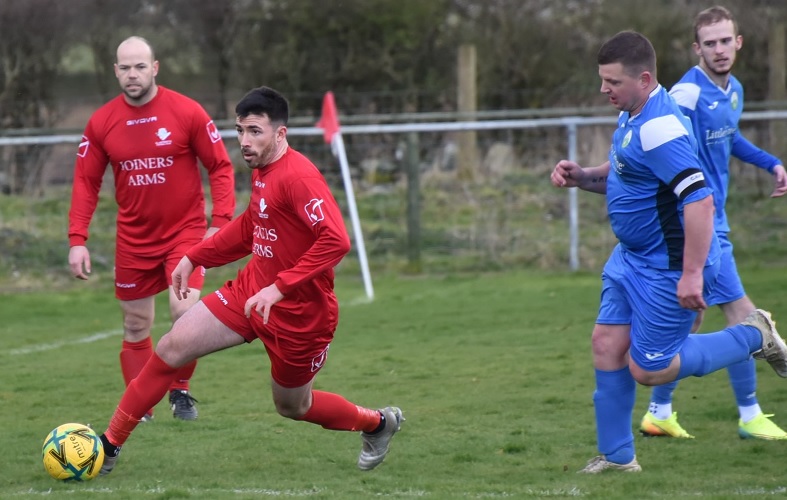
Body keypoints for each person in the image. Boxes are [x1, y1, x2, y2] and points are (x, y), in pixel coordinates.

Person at [96, 86, 403, 476]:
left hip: (300, 316)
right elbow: (250, 227)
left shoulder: (299, 177)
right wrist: (195, 255)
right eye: (240, 131)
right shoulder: (262, 172)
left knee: (293, 406)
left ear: (280, 133)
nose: (244, 141)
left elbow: (336, 239)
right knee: (172, 346)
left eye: (255, 131)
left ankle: (378, 424)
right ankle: (108, 446)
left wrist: (280, 287)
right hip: (249, 294)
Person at [550, 30, 787, 474]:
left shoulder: (660, 126)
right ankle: (619, 457)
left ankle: (755, 334)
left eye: (612, 82)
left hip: (666, 265)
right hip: (631, 259)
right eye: (602, 80)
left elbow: (699, 199)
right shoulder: (634, 114)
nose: (604, 90)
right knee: (606, 344)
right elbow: (627, 171)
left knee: (650, 369)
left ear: (643, 79)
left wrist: (692, 273)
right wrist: (585, 176)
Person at [68, 36, 236, 421]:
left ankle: (180, 392)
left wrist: (220, 223)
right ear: (115, 71)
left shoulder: (187, 111)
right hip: (133, 238)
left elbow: (221, 166)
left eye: (140, 66)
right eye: (125, 67)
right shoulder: (101, 122)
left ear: (155, 68)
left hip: (185, 233)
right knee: (135, 323)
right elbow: (85, 182)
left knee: (184, 312)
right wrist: (78, 239)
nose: (132, 74)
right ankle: (140, 406)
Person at [639, 5, 787, 441]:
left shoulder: (733, 89)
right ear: (696, 48)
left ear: (738, 42)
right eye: (710, 43)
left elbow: (731, 137)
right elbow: (666, 145)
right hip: (698, 219)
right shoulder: (685, 95)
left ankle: (659, 412)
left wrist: (771, 163)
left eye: (726, 41)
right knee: (745, 319)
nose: (720, 50)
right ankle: (750, 416)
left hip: (712, 219)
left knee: (694, 321)